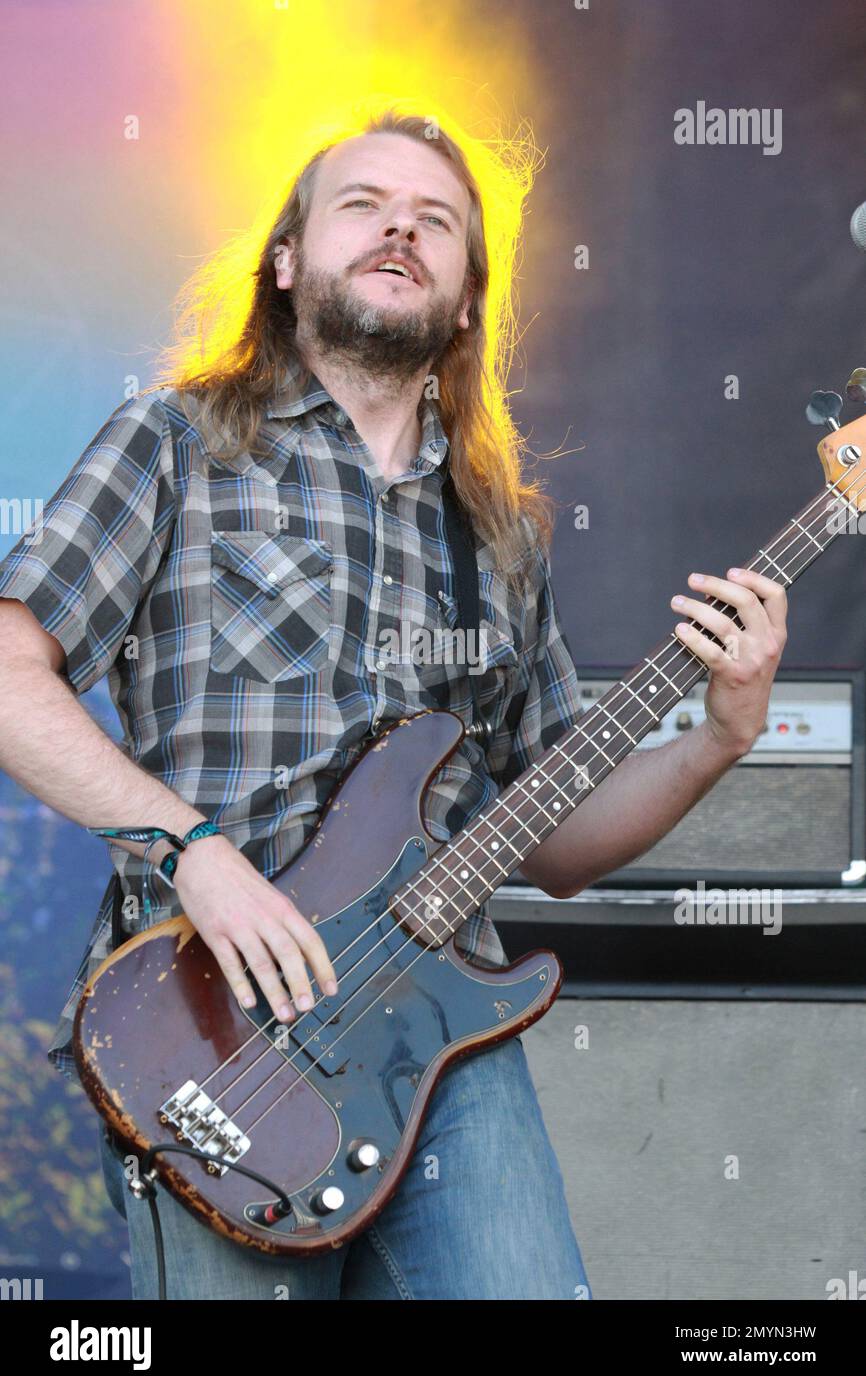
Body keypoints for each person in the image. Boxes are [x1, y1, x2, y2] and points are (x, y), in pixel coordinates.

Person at [0, 109, 787, 1300]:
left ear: (467, 296)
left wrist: (721, 733)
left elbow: (557, 840)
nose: (399, 230)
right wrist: (193, 851)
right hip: (216, 1026)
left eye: (436, 221)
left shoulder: (500, 531)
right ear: (286, 258)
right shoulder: (173, 445)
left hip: (440, 1039)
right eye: (363, 205)